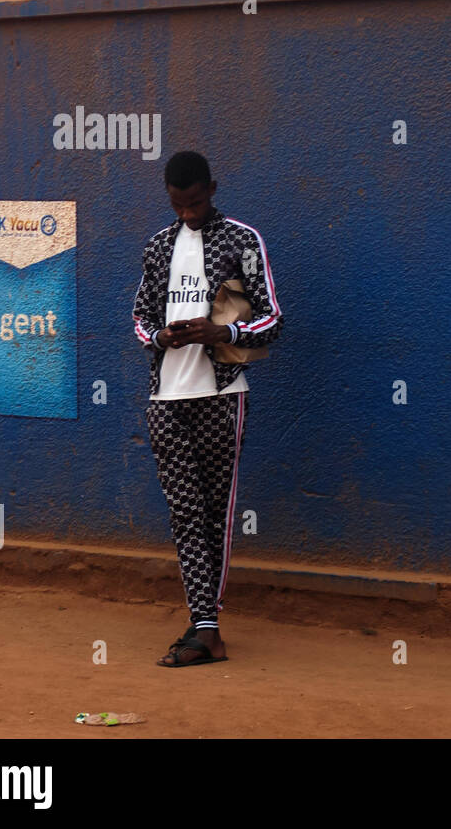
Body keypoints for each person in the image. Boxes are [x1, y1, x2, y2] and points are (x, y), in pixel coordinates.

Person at [131, 151, 283, 667]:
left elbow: (274, 320)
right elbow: (138, 320)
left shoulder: (242, 240)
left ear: (212, 189)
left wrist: (225, 332)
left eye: (196, 202)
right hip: (165, 397)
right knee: (184, 510)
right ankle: (206, 629)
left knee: (214, 514)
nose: (189, 212)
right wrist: (161, 336)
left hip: (222, 396)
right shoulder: (157, 246)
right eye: (179, 204)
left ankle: (206, 628)